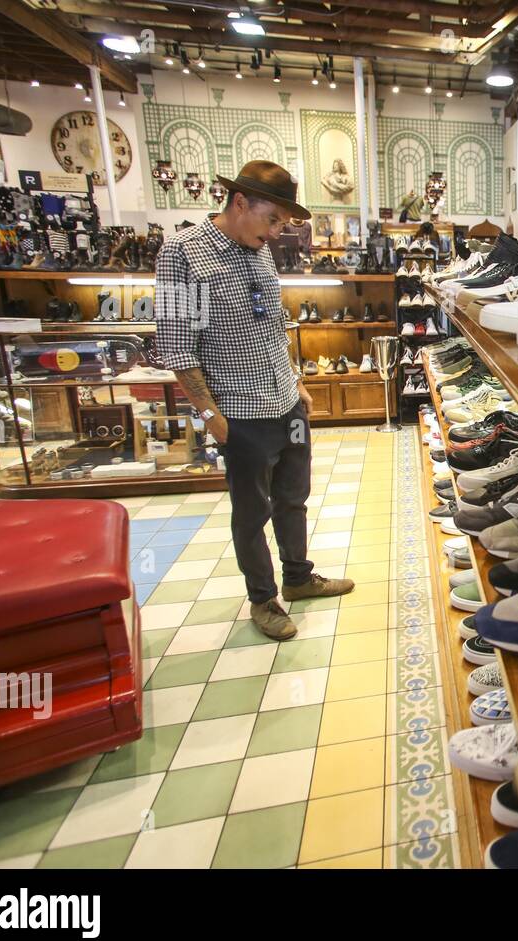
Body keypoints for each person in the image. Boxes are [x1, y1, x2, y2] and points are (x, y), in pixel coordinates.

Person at [156, 160, 354, 640]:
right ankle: (263, 600)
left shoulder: (260, 249)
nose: (276, 232)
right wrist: (209, 413)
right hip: (239, 412)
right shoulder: (183, 253)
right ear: (240, 202)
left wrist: (298, 381)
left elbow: (272, 327)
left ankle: (299, 577)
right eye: (272, 220)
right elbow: (177, 344)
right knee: (251, 511)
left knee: (293, 497)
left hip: (286, 399)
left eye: (283, 225)